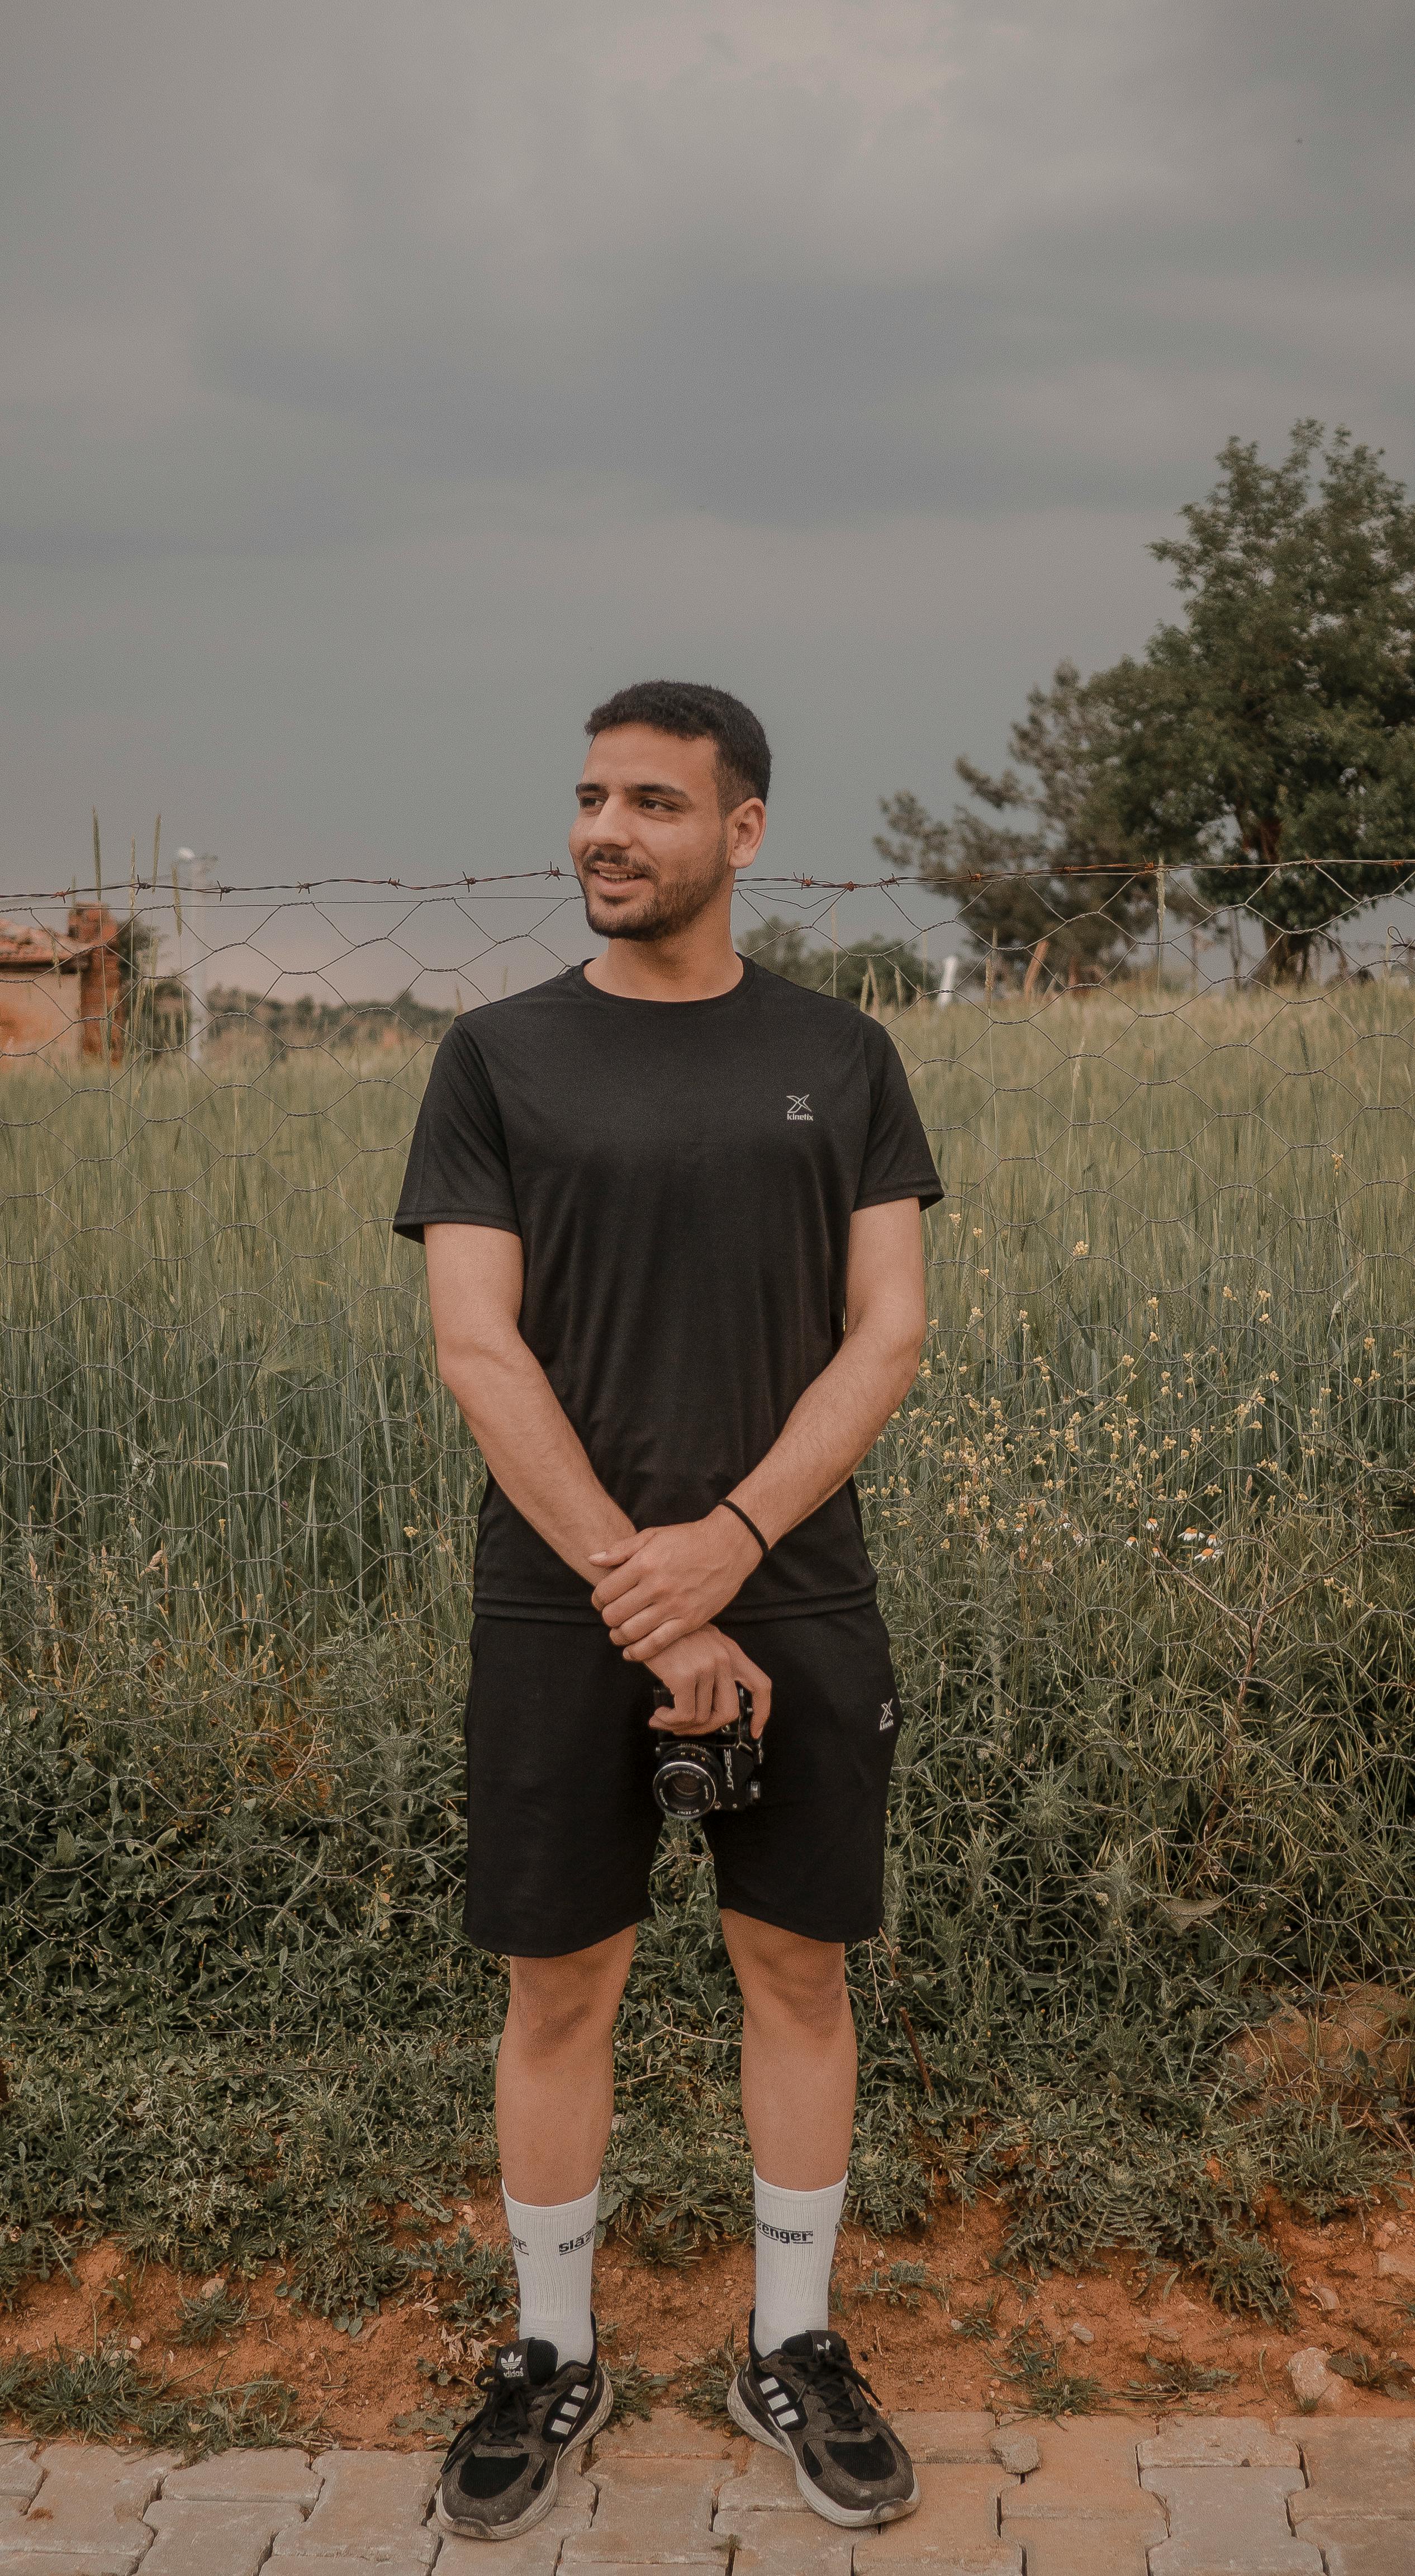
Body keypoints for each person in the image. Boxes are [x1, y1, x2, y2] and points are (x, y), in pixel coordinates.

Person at [394, 679, 941, 2545]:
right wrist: (647, 1591)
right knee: (564, 1984)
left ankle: (790, 2343)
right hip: (561, 1604)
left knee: (797, 1967)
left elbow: (891, 1331)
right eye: (585, 798)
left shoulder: (844, 1054)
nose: (602, 832)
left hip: (791, 1584)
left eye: (648, 801)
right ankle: (551, 2351)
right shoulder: (494, 1056)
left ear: (743, 832)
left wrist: (727, 1544)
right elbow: (477, 1346)